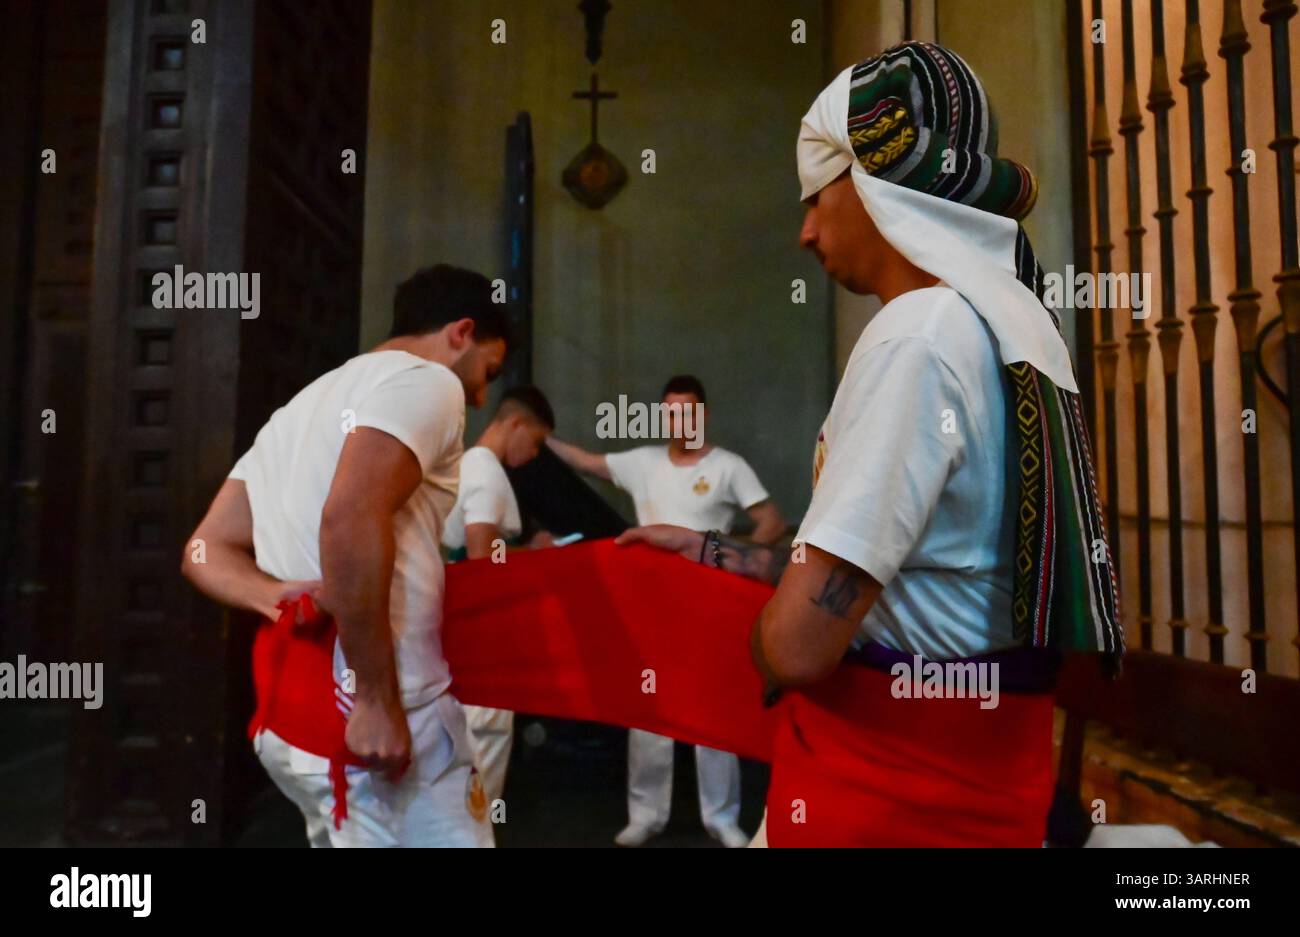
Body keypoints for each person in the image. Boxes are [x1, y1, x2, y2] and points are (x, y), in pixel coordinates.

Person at [617, 42, 1122, 847]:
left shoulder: (916, 338)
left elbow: (799, 646)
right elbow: (916, 575)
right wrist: (718, 553)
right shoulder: (1012, 322)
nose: (805, 233)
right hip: (985, 791)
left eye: (816, 198)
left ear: (870, 186)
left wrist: (736, 634)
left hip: (890, 798)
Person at [182, 264, 509, 847]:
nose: (481, 395)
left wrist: (274, 595)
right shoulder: (429, 383)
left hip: (297, 718)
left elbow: (204, 549)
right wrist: (376, 699)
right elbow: (350, 516)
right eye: (489, 370)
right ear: (461, 332)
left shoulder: (300, 408)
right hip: (377, 711)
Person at [549, 374, 785, 848]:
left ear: (703, 415)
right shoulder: (642, 462)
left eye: (688, 411)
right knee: (648, 709)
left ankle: (721, 817)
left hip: (708, 604)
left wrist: (733, 565)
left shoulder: (727, 467)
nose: (680, 420)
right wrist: (539, 436)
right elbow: (587, 463)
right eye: (672, 412)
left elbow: (772, 522)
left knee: (711, 707)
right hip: (649, 604)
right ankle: (646, 814)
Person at [441, 385, 557, 806]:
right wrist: (538, 552)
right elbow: (481, 555)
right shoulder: (486, 470)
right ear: (516, 424)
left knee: (466, 732)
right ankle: (474, 830)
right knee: (485, 730)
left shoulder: (468, 463)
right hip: (478, 619)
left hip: (454, 611)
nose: (535, 453)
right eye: (537, 441)